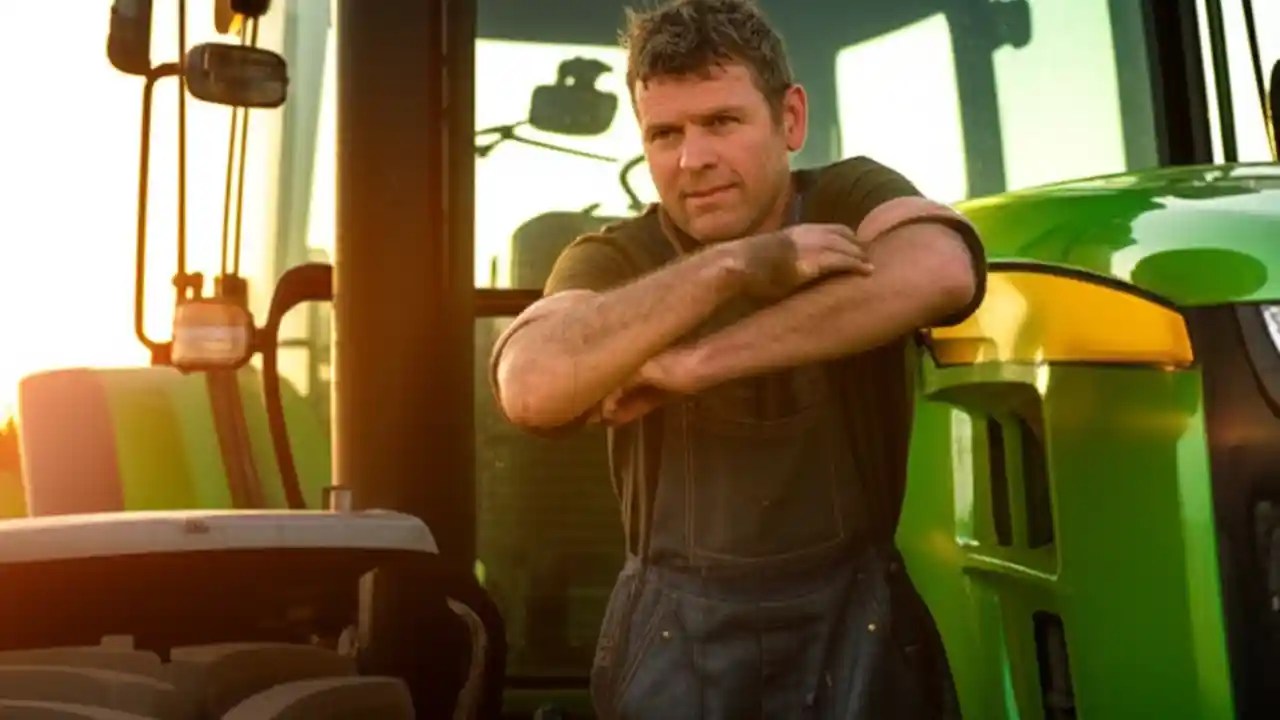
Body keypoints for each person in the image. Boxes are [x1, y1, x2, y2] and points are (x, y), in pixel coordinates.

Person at [491, 0, 987, 716]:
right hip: (673, 644)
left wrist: (696, 364)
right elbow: (530, 385)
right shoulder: (612, 257)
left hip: (858, 632)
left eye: (721, 122)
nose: (693, 159)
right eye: (665, 134)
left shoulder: (848, 195)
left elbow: (940, 269)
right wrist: (736, 268)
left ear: (789, 119)